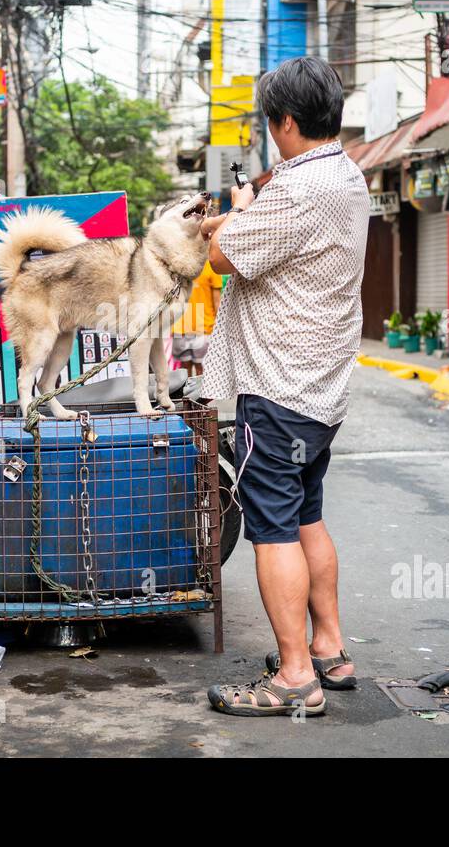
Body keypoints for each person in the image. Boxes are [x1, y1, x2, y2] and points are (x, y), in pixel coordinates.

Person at [198, 56, 370, 717]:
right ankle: (329, 647)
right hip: (321, 389)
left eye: (271, 120)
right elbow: (276, 245)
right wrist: (241, 217)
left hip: (280, 388)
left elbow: (223, 258)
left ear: (286, 121)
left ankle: (296, 675)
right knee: (307, 516)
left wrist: (235, 216)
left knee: (273, 528)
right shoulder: (346, 175)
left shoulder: (295, 188)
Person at [171, 260, 224, 375]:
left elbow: (217, 303)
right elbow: (217, 303)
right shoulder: (178, 264)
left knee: (191, 372)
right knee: (196, 371)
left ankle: (195, 392)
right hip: (188, 327)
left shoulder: (211, 266)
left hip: (199, 328)